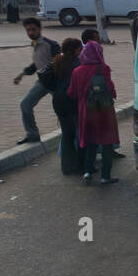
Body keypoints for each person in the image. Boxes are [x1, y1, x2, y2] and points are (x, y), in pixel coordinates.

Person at [67, 40, 120, 185]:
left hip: (86, 112)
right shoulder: (103, 68)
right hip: (104, 112)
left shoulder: (77, 71)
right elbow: (110, 89)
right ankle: (105, 176)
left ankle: (87, 172)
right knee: (107, 144)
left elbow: (71, 93)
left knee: (91, 143)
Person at [14, 17, 60, 145]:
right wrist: (22, 74)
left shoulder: (51, 45)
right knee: (25, 104)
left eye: (33, 29)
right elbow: (36, 64)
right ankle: (32, 134)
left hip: (55, 83)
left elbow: (61, 63)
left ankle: (70, 134)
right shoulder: (34, 44)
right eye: (28, 30)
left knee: (62, 109)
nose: (30, 33)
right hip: (42, 81)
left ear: (39, 29)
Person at [80, 28, 123, 158]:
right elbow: (109, 86)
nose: (99, 42)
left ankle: (88, 168)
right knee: (106, 132)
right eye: (97, 39)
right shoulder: (102, 68)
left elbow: (74, 90)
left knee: (90, 135)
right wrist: (113, 95)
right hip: (103, 104)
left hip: (86, 106)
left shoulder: (79, 68)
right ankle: (106, 167)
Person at [49, 38, 84, 175]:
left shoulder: (56, 61)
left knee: (67, 135)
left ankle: (67, 166)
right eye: (79, 48)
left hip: (58, 101)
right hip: (72, 101)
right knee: (80, 133)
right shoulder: (76, 63)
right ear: (74, 49)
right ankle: (80, 164)